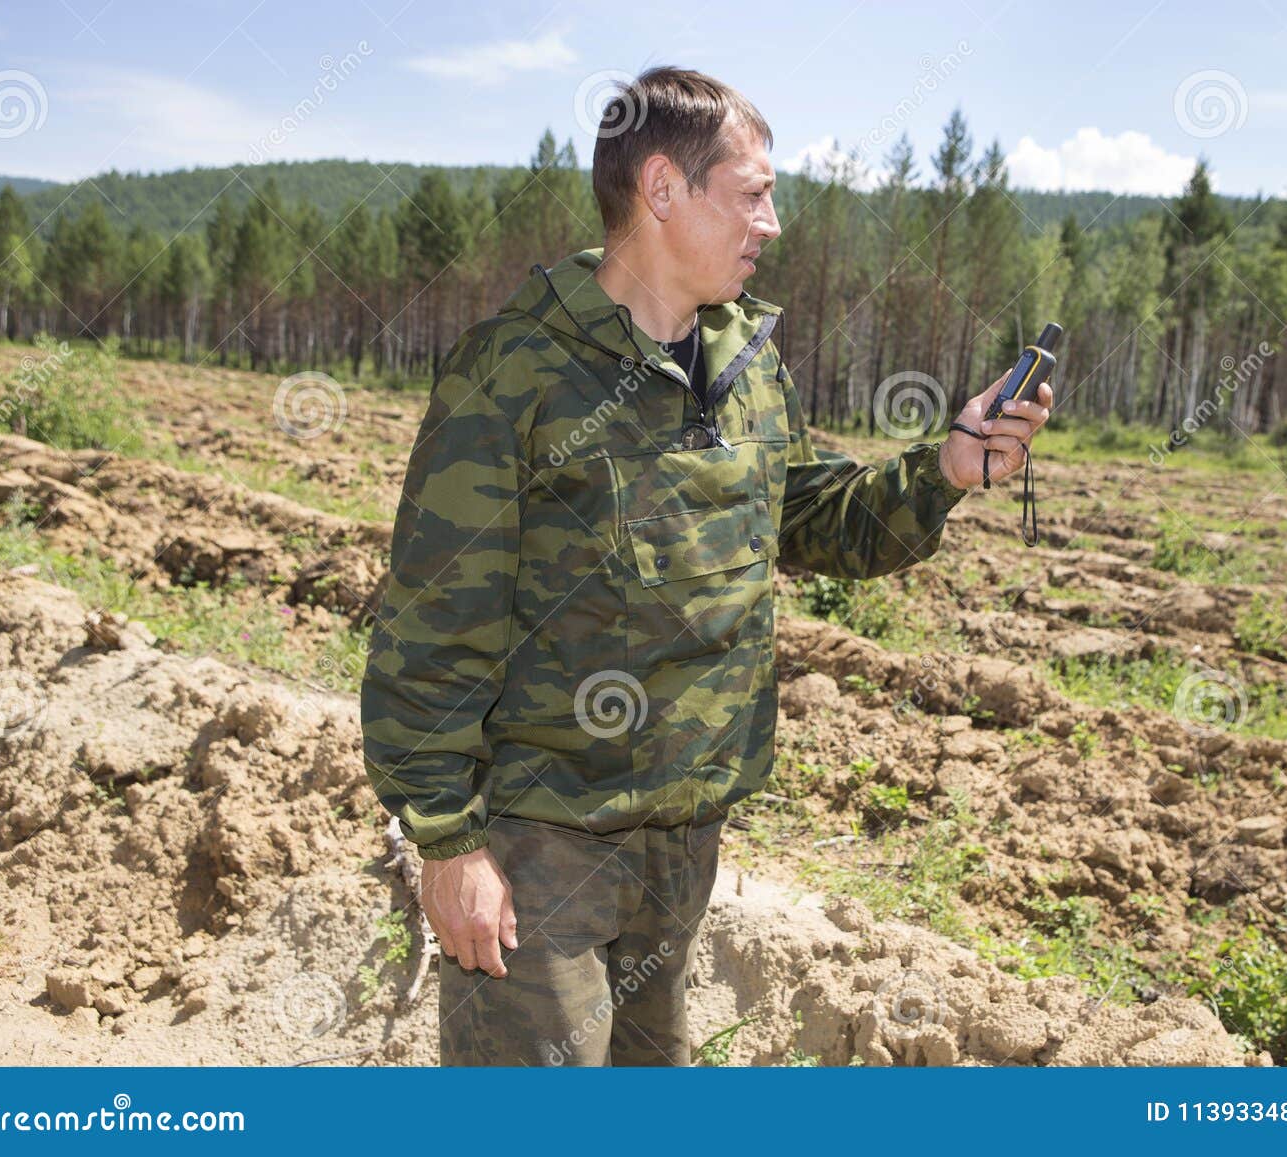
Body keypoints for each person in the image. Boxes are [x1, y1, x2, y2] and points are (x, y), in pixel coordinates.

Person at [359, 65, 1053, 1067]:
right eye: (754, 194)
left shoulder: (744, 361)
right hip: (539, 841)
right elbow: (433, 618)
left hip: (684, 831)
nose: (772, 223)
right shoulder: (516, 370)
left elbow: (810, 515)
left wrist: (945, 468)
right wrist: (447, 843)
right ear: (662, 187)